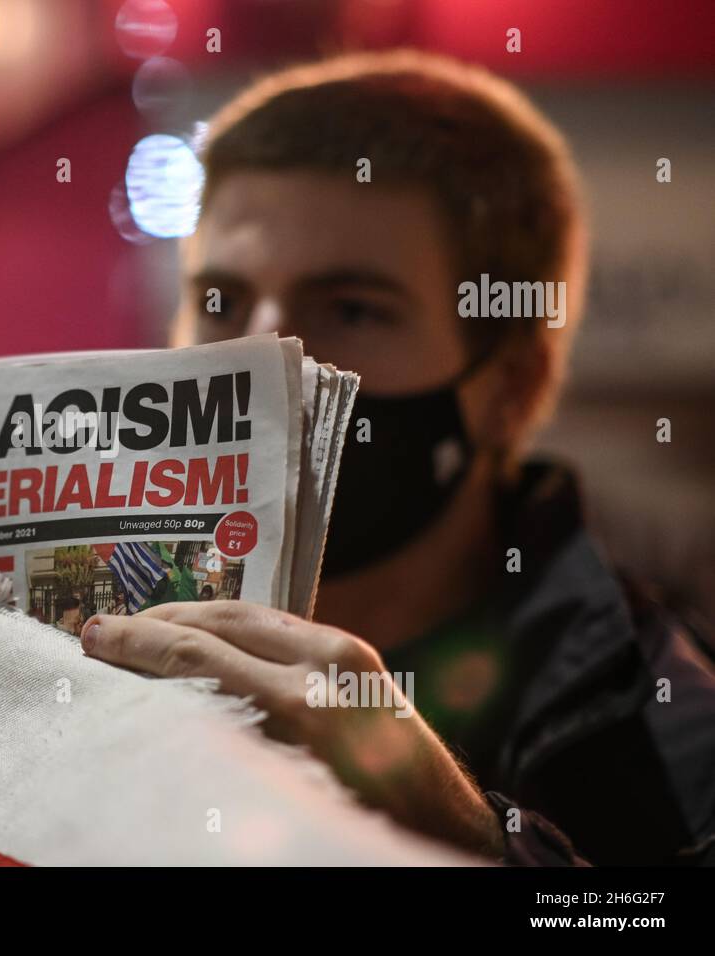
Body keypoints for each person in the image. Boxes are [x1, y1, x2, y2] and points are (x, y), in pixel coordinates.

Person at [81, 50, 715, 865]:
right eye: (219, 301)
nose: (260, 356)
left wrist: (471, 844)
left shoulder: (665, 742)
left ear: (510, 387)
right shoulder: (102, 635)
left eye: (351, 308)